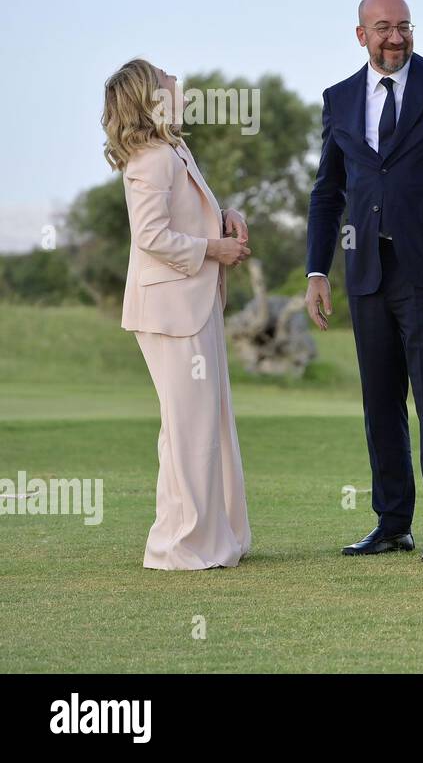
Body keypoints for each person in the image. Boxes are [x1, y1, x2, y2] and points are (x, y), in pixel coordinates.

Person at [305, 0, 423, 563]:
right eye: (383, 28)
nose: (396, 38)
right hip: (365, 271)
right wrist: (317, 269)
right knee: (380, 400)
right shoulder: (338, 100)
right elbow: (327, 191)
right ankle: (391, 523)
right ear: (361, 35)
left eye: (404, 27)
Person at [106, 58, 252, 570]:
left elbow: (183, 216)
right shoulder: (151, 158)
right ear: (150, 94)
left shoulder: (174, 148)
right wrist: (215, 249)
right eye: (166, 76)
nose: (176, 79)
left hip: (195, 302)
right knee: (188, 426)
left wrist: (224, 215)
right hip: (170, 310)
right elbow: (150, 236)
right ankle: (181, 546)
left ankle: (218, 536)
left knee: (206, 421)